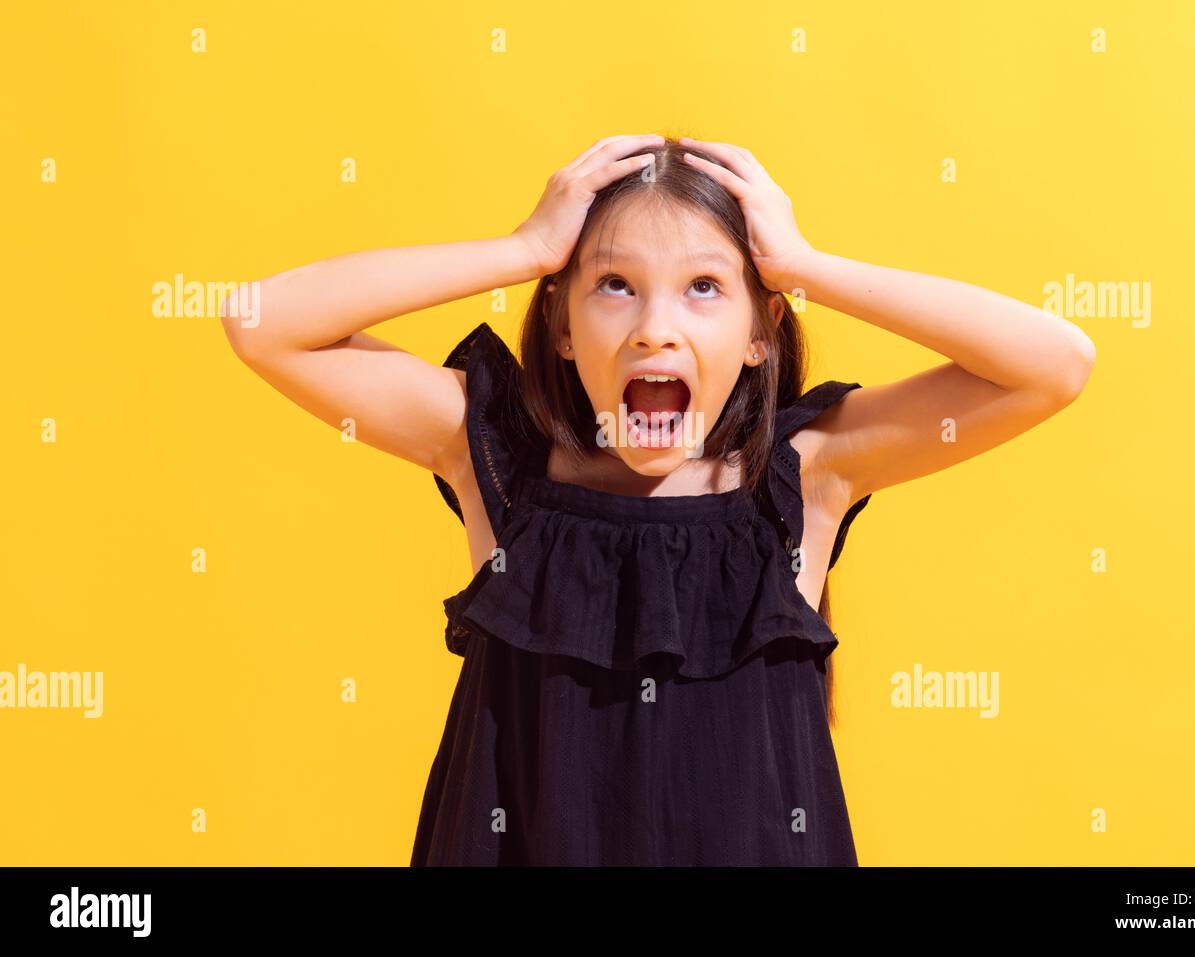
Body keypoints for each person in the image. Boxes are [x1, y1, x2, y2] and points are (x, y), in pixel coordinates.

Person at [221, 133, 1095, 865]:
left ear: (760, 335)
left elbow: (1055, 364)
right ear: (562, 328)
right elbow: (260, 321)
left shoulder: (809, 475)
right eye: (614, 285)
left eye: (704, 287)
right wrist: (525, 249)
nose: (654, 325)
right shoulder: (498, 464)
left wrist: (806, 266)